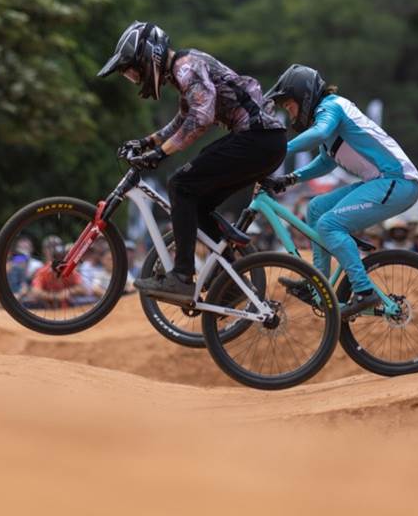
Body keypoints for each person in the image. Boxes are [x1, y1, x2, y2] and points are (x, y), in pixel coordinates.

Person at [100, 22, 286, 306]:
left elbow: (201, 117)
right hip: (263, 143)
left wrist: (161, 154)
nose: (135, 78)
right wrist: (148, 142)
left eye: (133, 69)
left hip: (257, 139)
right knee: (196, 203)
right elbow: (183, 118)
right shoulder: (183, 71)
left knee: (180, 186)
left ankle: (182, 275)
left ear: (151, 54)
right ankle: (232, 281)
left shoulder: (187, 67)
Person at [260, 64, 418, 315]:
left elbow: (320, 132)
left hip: (398, 182)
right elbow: (325, 162)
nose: (291, 114)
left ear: (303, 96)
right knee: (315, 208)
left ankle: (364, 290)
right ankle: (317, 284)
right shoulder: (327, 119)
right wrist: (291, 178)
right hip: (381, 182)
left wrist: (281, 149)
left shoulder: (331, 107)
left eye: (289, 105)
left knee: (329, 224)